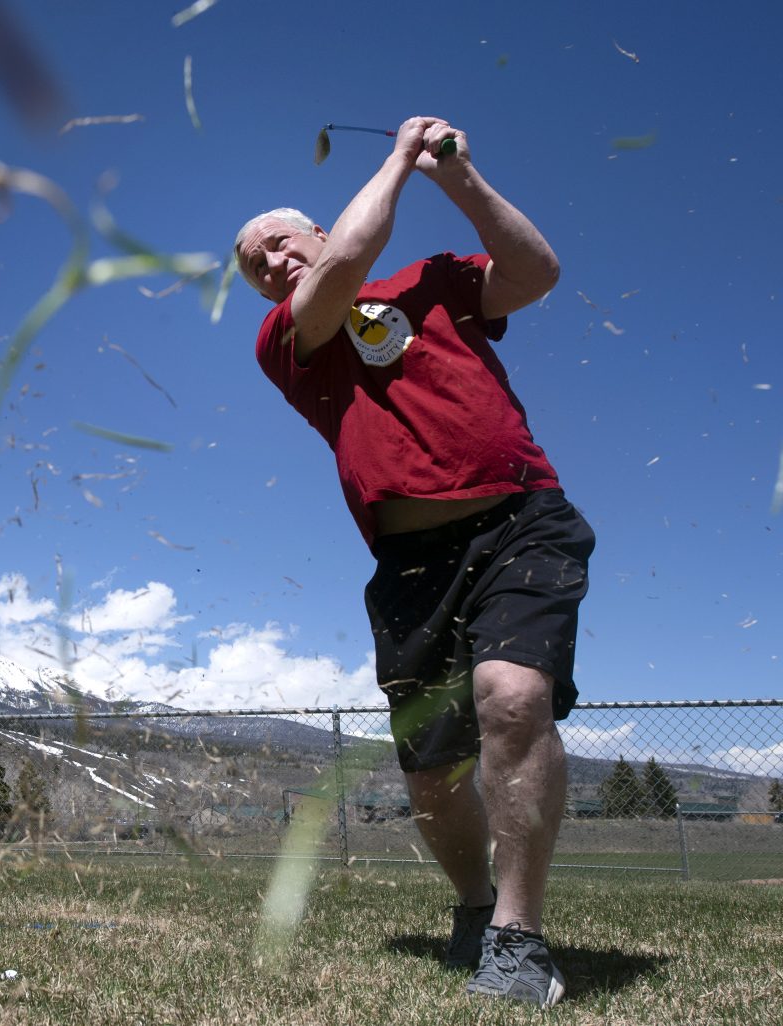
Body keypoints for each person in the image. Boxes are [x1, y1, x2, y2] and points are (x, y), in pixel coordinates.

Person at [235, 116, 593, 1008]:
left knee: (513, 697)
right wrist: (400, 160)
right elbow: (345, 265)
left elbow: (537, 274)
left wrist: (458, 178)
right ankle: (474, 907)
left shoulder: (432, 281)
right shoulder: (289, 338)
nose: (272, 264)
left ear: (316, 229)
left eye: (280, 243)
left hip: (521, 520)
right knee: (431, 772)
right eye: (255, 266)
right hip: (410, 564)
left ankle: (518, 938)